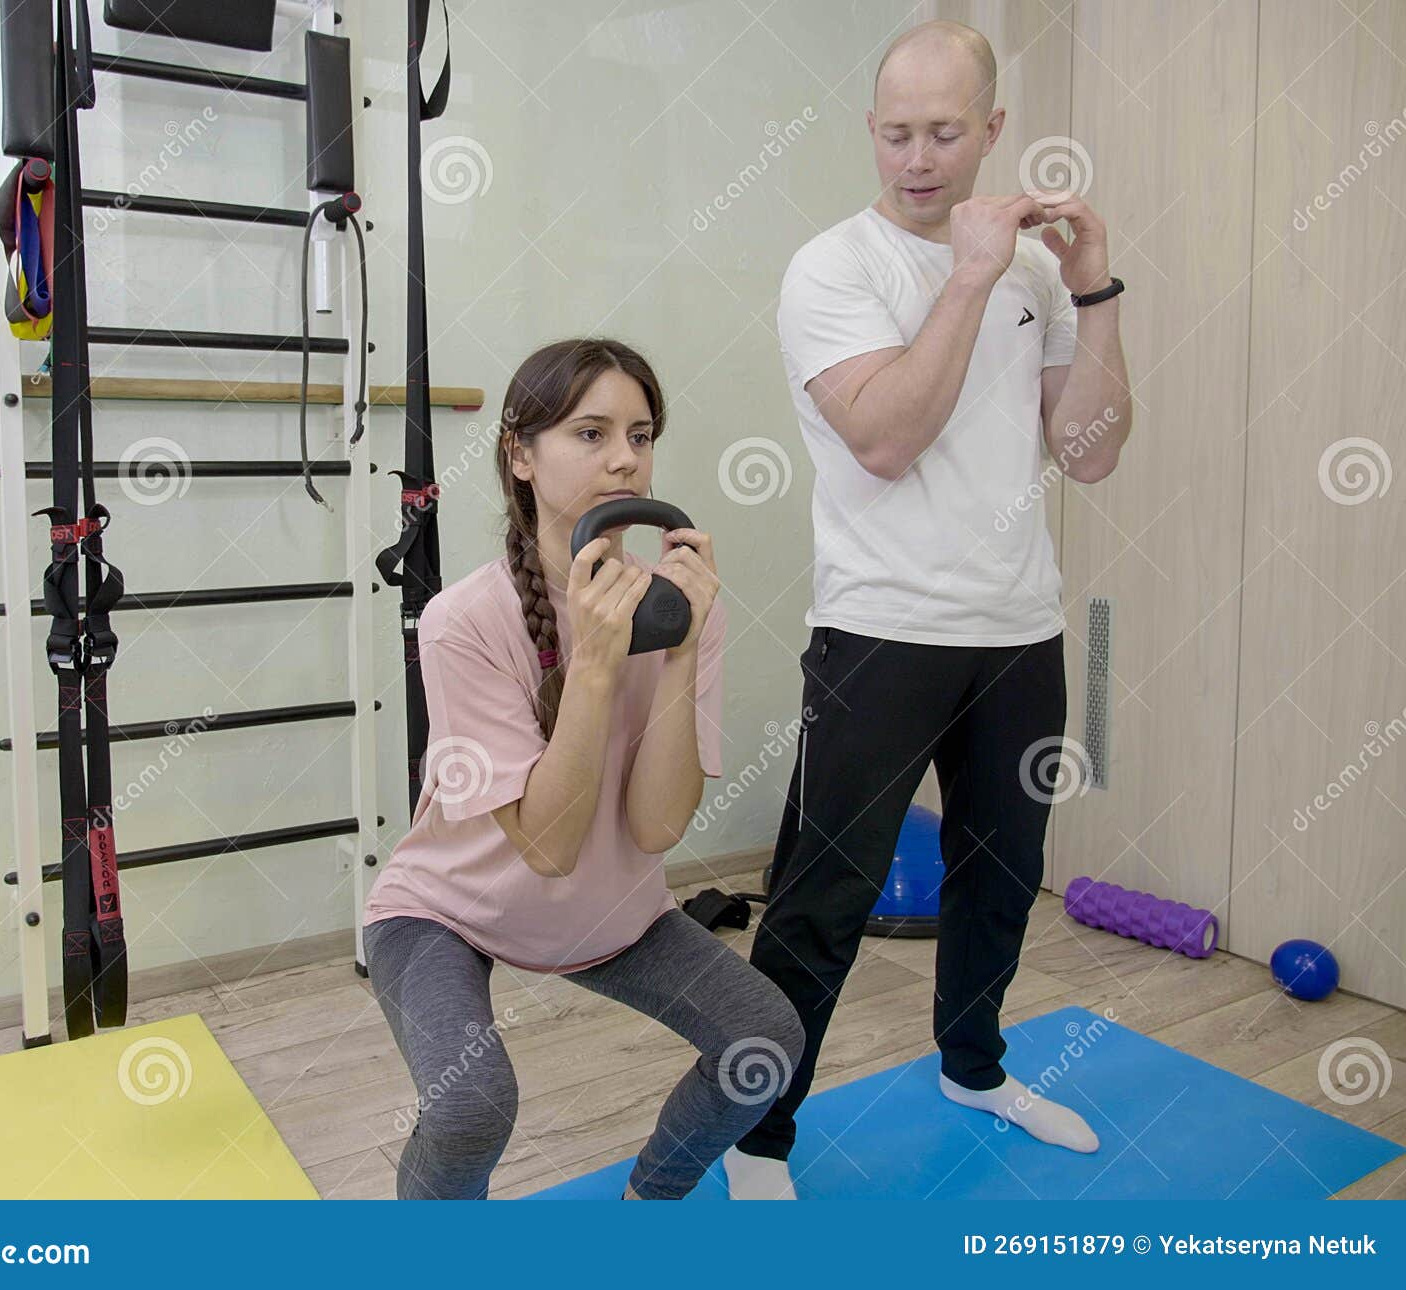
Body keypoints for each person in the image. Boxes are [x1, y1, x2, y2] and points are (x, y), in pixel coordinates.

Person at [723, 20, 1133, 1201]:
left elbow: (1091, 452)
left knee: (1002, 873)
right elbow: (888, 436)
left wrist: (1093, 285)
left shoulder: (1040, 273)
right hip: (880, 630)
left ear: (990, 132)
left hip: (1020, 629)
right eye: (896, 133)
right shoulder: (832, 268)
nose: (917, 157)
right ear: (870, 132)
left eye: (945, 133)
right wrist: (968, 273)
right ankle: (759, 1129)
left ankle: (974, 1066)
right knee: (821, 896)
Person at [362, 337, 805, 1201]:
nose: (625, 461)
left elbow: (656, 828)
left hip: (603, 911)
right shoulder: (461, 621)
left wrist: (676, 648)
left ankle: (651, 1202)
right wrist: (595, 666)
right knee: (470, 1108)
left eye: (641, 436)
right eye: (591, 434)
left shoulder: (682, 607)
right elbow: (548, 847)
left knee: (765, 1044)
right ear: (520, 455)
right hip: (446, 911)